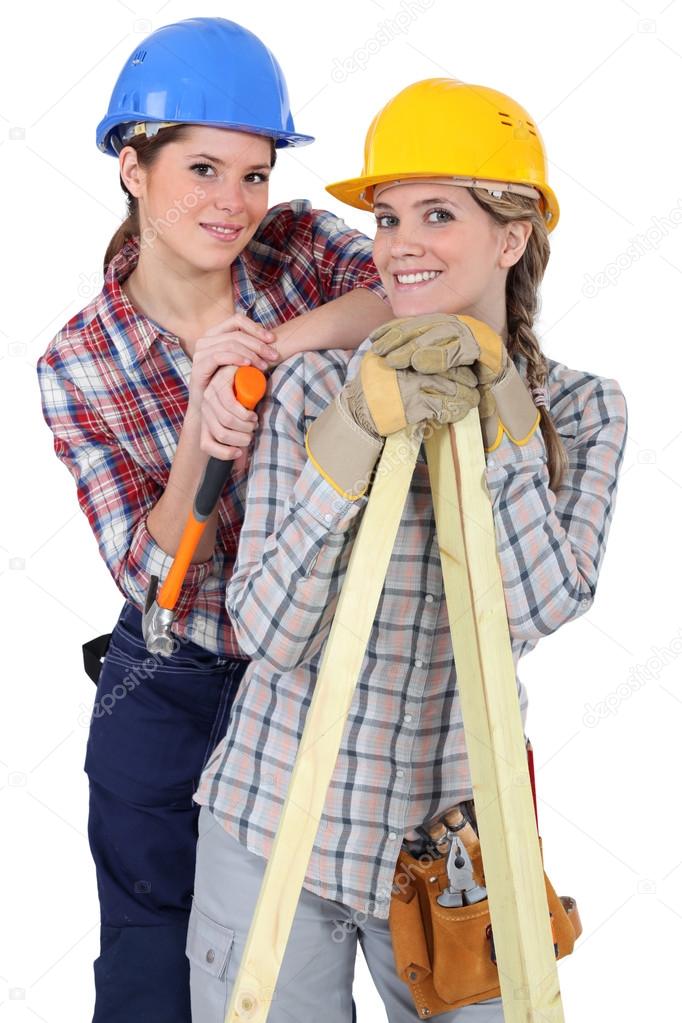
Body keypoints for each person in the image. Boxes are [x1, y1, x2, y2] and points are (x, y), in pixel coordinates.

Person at [188, 78, 629, 1021]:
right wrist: (345, 444)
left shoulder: (586, 412)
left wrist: (506, 419)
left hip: (454, 859)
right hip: (272, 830)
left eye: (438, 213)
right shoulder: (314, 392)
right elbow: (267, 629)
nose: (401, 245)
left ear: (512, 237)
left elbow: (538, 607)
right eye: (387, 219)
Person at [36, 16, 392, 1023]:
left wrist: (261, 352)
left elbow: (407, 297)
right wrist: (203, 424)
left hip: (320, 672)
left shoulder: (294, 252)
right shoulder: (78, 364)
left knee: (296, 961)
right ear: (131, 166)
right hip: (172, 686)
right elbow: (149, 577)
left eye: (253, 173)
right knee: (157, 963)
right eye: (202, 168)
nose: (233, 204)